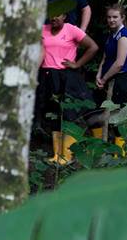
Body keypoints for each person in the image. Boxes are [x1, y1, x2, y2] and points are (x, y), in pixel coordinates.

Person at [38, 13, 98, 165]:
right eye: (52, 14)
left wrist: (77, 64)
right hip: (47, 75)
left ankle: (68, 154)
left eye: (58, 15)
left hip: (66, 76)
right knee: (54, 112)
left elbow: (93, 47)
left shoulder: (71, 29)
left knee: (69, 113)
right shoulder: (43, 30)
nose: (54, 18)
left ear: (64, 16)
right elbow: (40, 52)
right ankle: (57, 154)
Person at [94, 5, 127, 153]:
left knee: (118, 118)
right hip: (107, 80)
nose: (111, 20)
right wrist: (99, 75)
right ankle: (99, 149)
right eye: (109, 17)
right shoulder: (112, 35)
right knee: (98, 113)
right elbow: (105, 57)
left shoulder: (123, 36)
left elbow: (119, 64)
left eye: (115, 17)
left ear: (122, 17)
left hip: (120, 81)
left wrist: (104, 79)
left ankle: (119, 154)